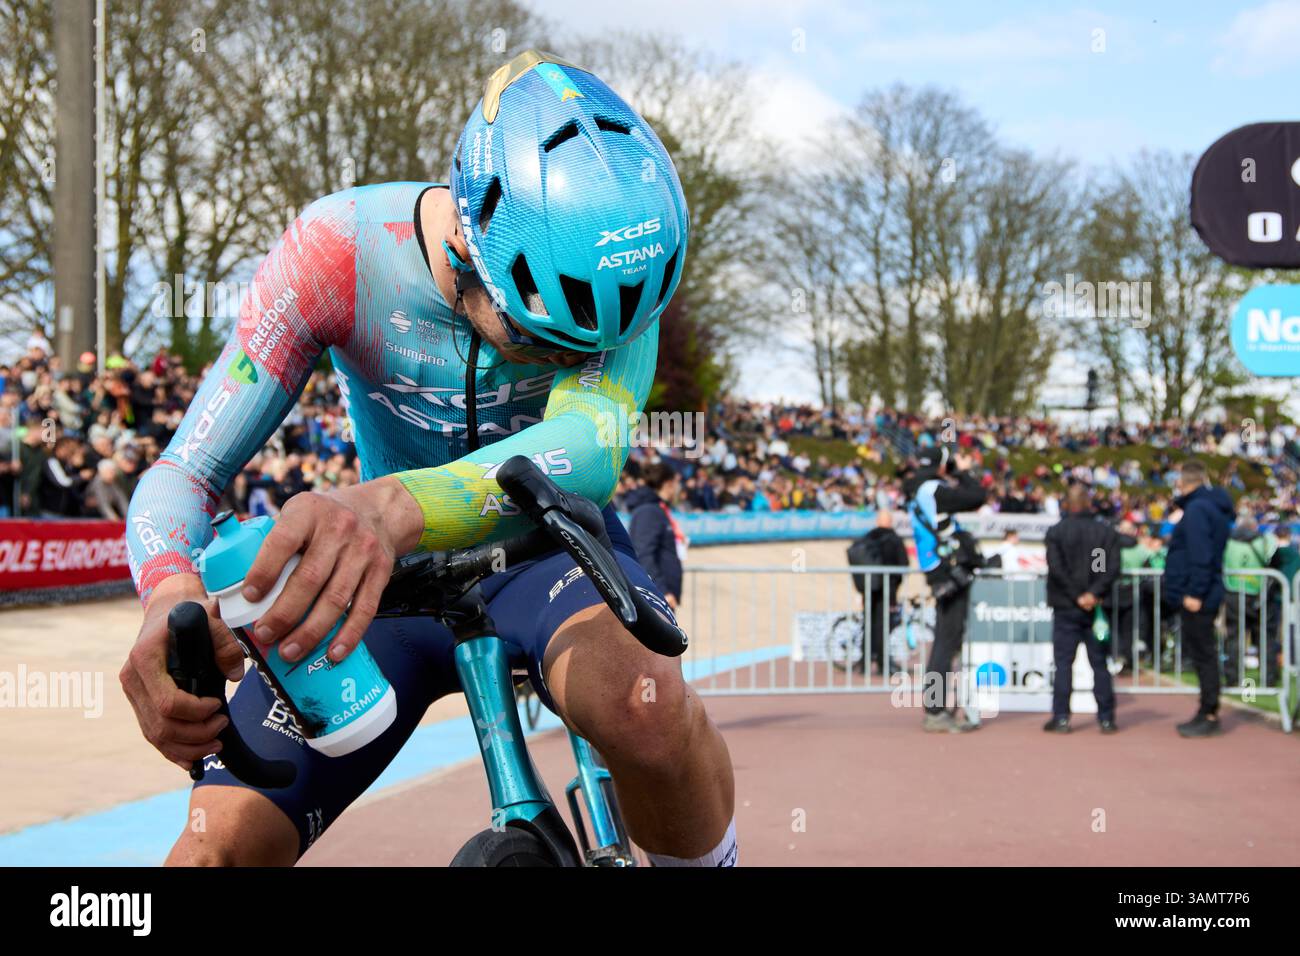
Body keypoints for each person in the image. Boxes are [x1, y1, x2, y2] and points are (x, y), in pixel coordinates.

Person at [120, 51, 737, 868]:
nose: (562, 358)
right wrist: (168, 590)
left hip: (543, 551)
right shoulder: (335, 252)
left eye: (583, 347)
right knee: (209, 856)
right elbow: (184, 475)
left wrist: (390, 509)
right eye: (537, 337)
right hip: (376, 584)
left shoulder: (615, 277)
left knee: (645, 711)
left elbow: (585, 453)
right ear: (470, 245)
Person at [905, 444, 988, 732]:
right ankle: (935, 709)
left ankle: (941, 707)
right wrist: (964, 472)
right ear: (941, 466)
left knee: (947, 640)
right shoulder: (932, 489)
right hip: (946, 572)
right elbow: (978, 497)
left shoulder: (920, 489)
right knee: (945, 641)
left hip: (937, 570)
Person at [1043, 484, 1123, 733]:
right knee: (1099, 663)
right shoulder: (1101, 532)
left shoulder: (1058, 531)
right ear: (1089, 504)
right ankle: (1106, 718)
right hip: (1092, 606)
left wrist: (1081, 594)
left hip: (1069, 606)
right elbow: (1101, 566)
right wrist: (1092, 593)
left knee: (1064, 664)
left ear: (1066, 505)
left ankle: (1062, 717)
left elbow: (1059, 569)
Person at [1162, 459, 1233, 738]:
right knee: (1203, 653)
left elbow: (1201, 555)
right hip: (1202, 590)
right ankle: (1207, 710)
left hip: (1198, 594)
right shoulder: (1208, 507)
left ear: (1185, 482)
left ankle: (1209, 712)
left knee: (1204, 654)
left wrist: (1194, 592)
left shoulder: (1198, 510)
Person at [846, 508, 910, 673]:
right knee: (883, 625)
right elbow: (904, 564)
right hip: (887, 588)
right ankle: (883, 663)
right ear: (890, 522)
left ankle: (865, 662)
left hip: (868, 587)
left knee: (868, 623)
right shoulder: (894, 539)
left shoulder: (867, 537)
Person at [1220, 513, 1281, 687]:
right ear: (1254, 526)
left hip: (1234, 591)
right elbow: (1275, 561)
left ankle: (1233, 677)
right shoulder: (1265, 540)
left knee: (1234, 636)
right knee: (1266, 636)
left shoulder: (1227, 542)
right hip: (1260, 593)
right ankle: (1268, 678)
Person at [627, 461, 687, 611]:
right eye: (676, 483)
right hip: (655, 597)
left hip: (659, 596)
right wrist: (662, 591)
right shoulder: (649, 511)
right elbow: (643, 554)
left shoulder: (657, 509)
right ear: (668, 484)